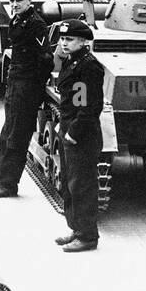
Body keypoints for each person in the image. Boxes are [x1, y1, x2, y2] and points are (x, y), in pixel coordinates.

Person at [0, 0, 54, 198]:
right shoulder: (18, 19)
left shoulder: (36, 24)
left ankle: (7, 184)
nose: (14, 5)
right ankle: (4, 181)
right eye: (12, 1)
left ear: (29, 1)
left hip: (25, 87)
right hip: (16, 84)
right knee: (8, 134)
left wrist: (34, 88)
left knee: (15, 137)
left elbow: (45, 59)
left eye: (19, 1)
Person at [53, 20, 105, 252]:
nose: (64, 43)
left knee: (82, 185)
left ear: (83, 42)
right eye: (63, 39)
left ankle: (87, 236)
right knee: (70, 183)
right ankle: (76, 228)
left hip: (81, 135)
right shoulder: (72, 61)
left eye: (70, 39)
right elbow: (74, 100)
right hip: (70, 129)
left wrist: (73, 132)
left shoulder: (87, 67)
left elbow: (89, 107)